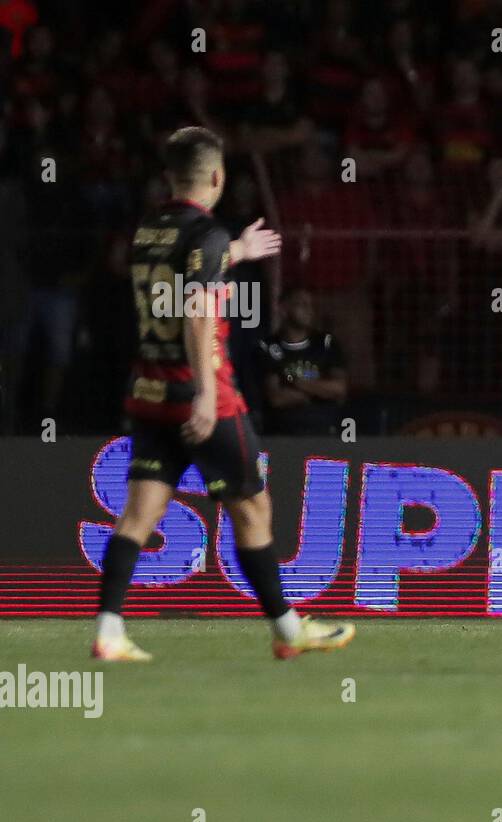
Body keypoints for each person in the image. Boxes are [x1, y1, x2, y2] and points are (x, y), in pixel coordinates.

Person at [92, 127, 354, 662]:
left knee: (140, 513)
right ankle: (288, 630)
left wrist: (237, 250)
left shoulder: (150, 230)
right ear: (217, 177)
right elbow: (195, 309)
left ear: (170, 177)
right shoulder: (207, 233)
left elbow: (182, 273)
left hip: (149, 392)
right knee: (253, 506)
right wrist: (207, 396)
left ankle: (109, 630)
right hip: (201, 392)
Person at [260, 288, 349, 436]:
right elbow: (276, 398)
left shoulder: (326, 343)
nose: (309, 310)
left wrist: (296, 382)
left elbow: (339, 389)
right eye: (301, 304)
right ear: (284, 309)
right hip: (282, 435)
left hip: (324, 432)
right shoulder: (268, 347)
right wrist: (318, 393)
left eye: (310, 305)